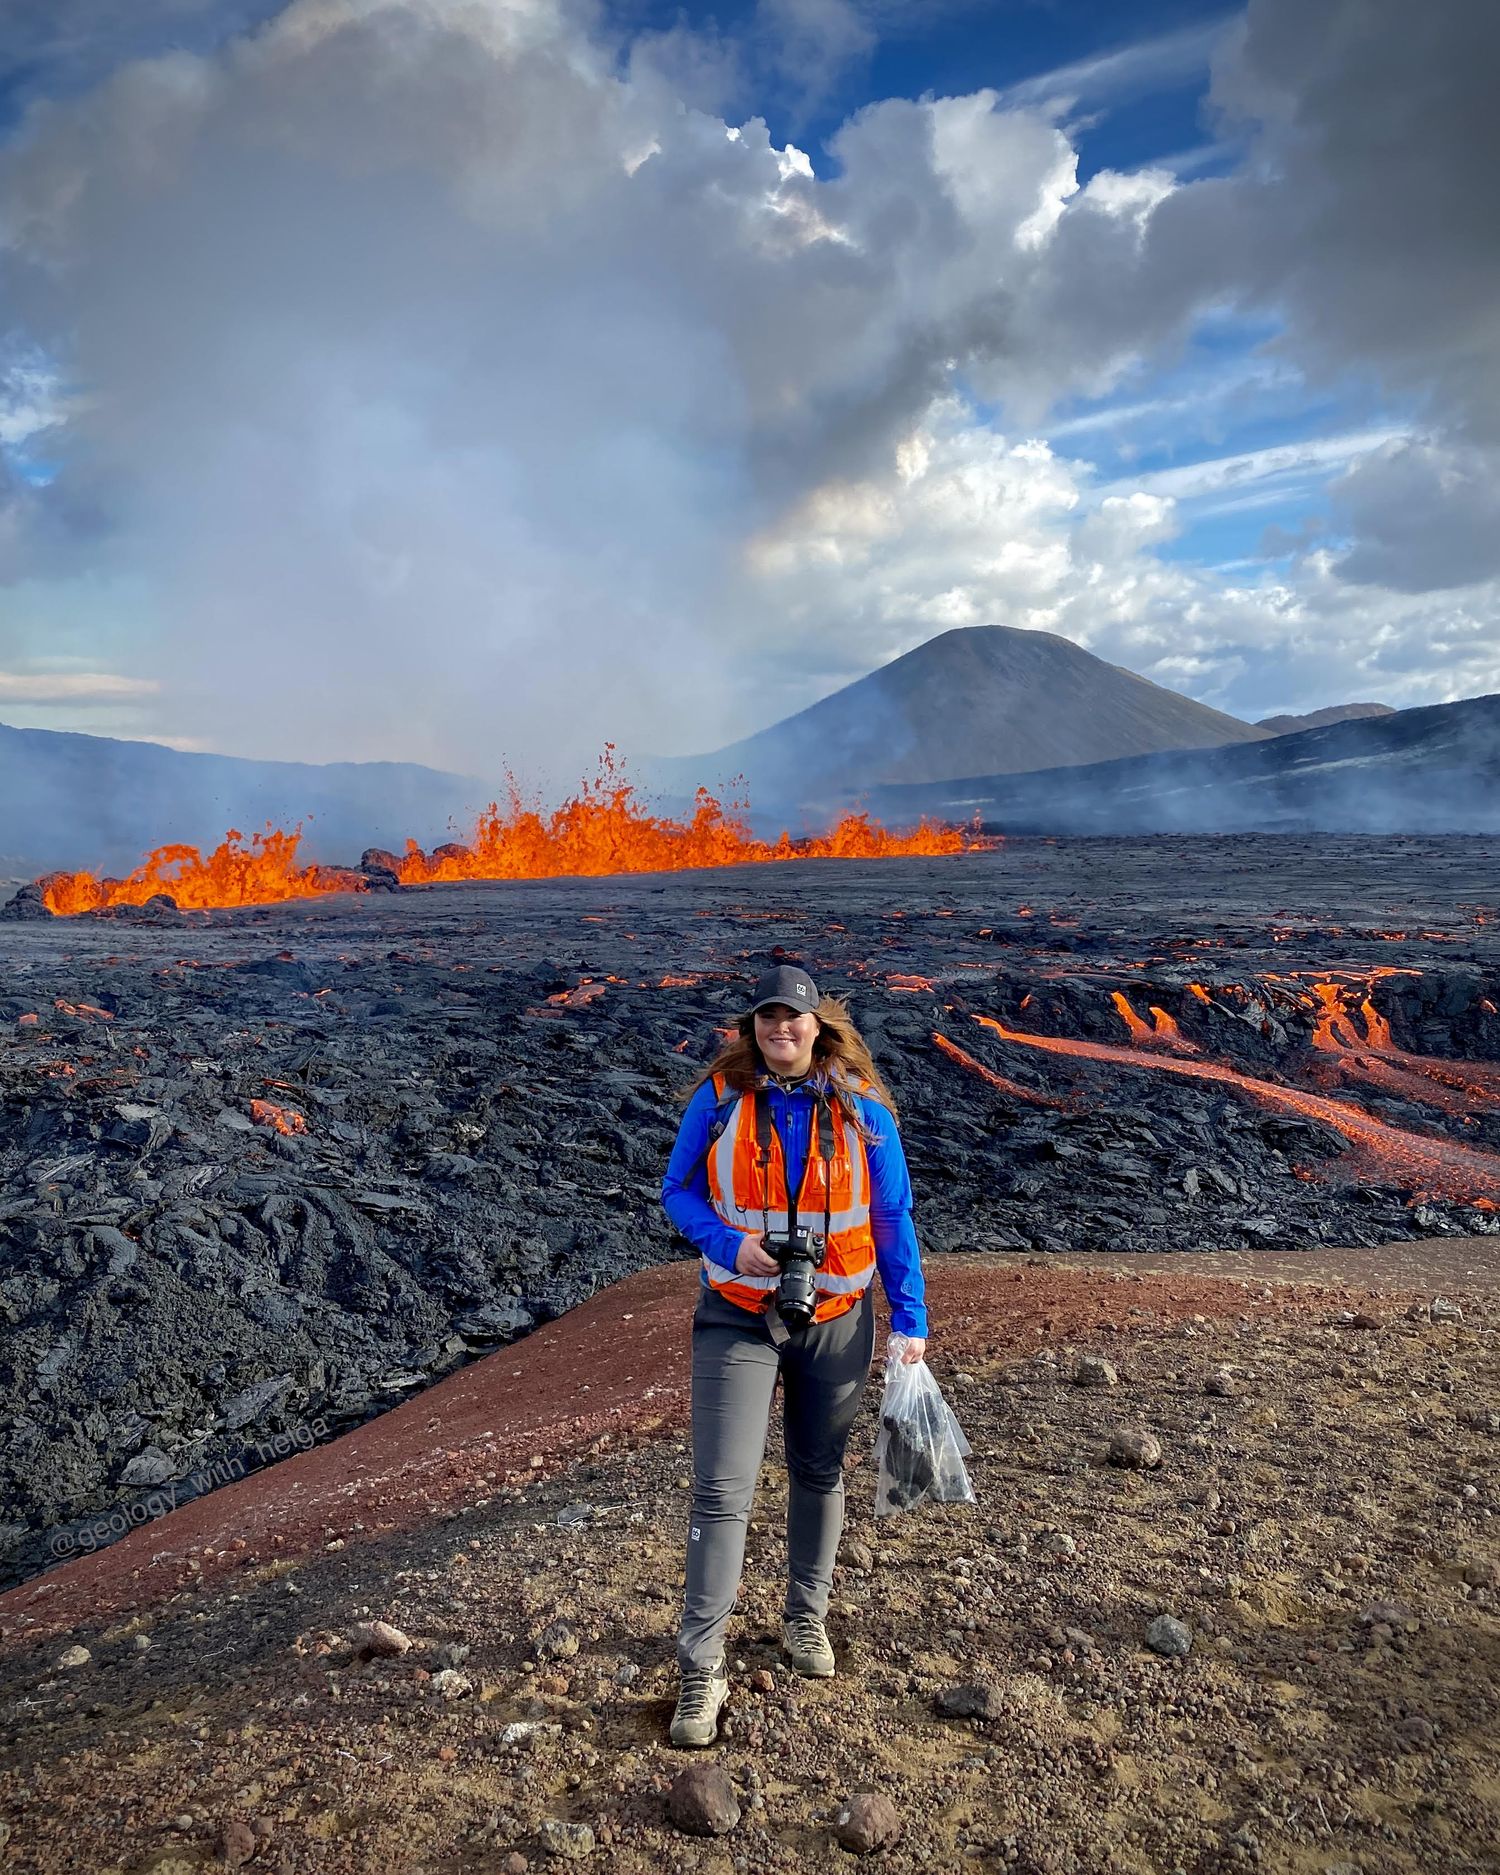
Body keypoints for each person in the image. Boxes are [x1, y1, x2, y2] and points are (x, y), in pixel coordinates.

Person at [660, 963, 929, 1748]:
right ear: (754, 1027)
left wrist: (911, 1318)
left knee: (820, 1470)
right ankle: (700, 1667)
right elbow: (677, 1191)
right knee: (721, 1489)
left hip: (838, 1318)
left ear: (819, 1026)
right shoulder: (718, 1100)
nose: (782, 1029)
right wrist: (728, 1243)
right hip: (737, 1316)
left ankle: (805, 1618)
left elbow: (893, 1214)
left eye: (795, 1017)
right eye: (768, 1017)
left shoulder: (864, 1110)